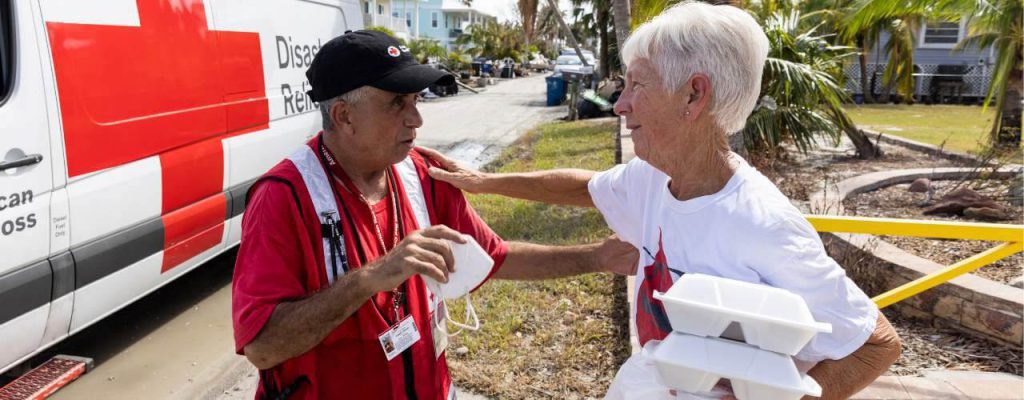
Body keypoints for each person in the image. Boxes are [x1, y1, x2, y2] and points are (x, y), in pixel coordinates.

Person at [421, 3, 902, 399]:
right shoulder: (652, 179)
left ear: (693, 95)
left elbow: (874, 345)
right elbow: (580, 186)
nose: (620, 104)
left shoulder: (764, 225)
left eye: (637, 85)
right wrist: (485, 182)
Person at [231, 30, 638, 400]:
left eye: (415, 101)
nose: (417, 119)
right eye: (396, 103)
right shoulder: (283, 197)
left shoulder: (423, 172)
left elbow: (494, 257)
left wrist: (597, 258)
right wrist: (368, 279)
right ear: (343, 116)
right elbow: (263, 347)